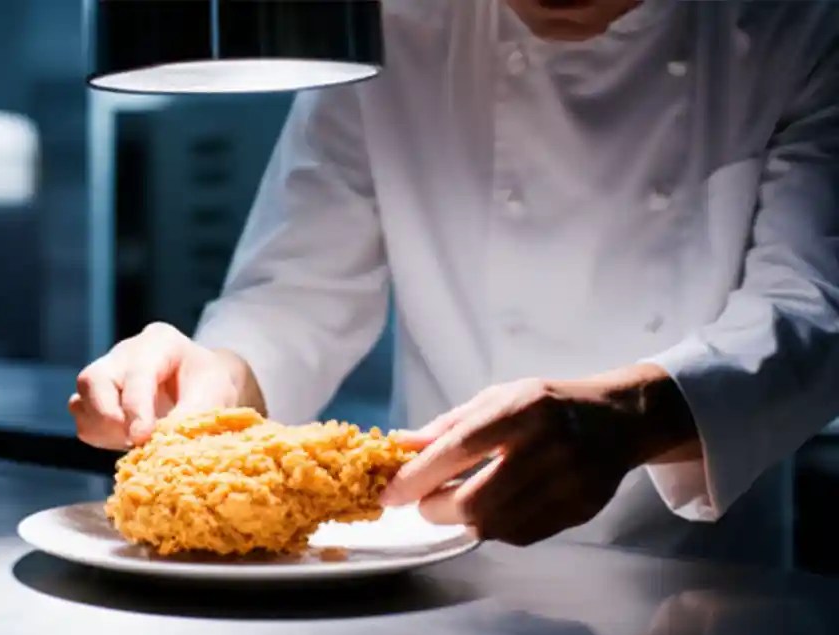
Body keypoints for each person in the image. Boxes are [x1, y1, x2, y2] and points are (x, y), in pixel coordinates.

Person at [69, 0, 839, 563]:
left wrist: (632, 418)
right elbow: (296, 294)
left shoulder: (799, 24)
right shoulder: (386, 23)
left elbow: (811, 312)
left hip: (698, 594)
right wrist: (213, 378)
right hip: (433, 573)